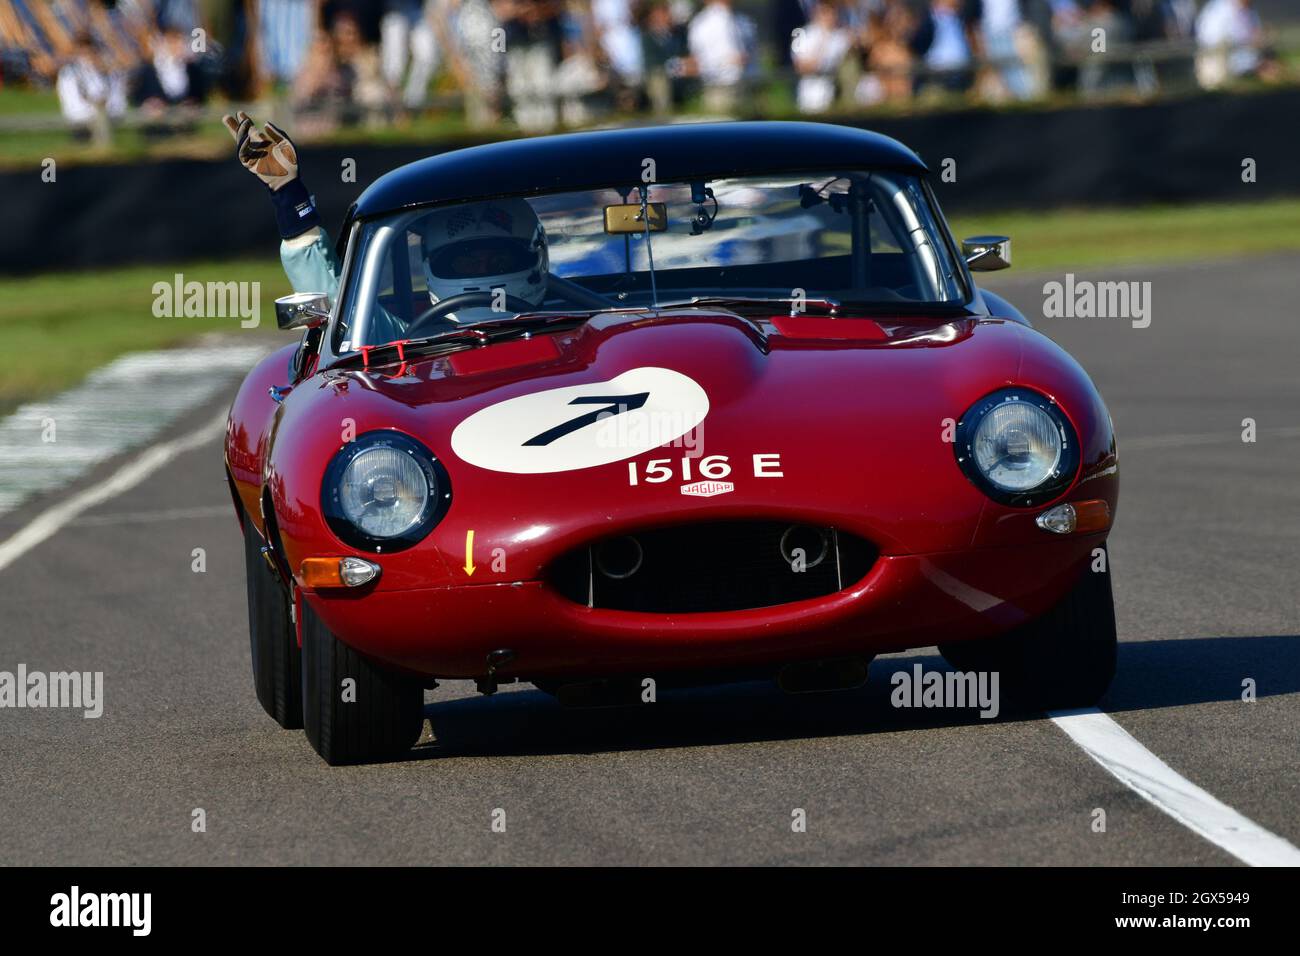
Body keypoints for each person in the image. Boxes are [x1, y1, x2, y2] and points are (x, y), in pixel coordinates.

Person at [221, 112, 550, 336]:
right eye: (465, 260)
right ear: (432, 264)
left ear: (534, 256)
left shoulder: (587, 324)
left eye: (497, 258)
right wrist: (288, 194)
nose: (483, 269)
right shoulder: (407, 340)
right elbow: (335, 305)